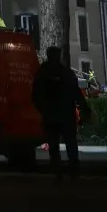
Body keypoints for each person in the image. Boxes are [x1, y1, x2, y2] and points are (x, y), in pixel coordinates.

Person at [32, 46, 88, 178]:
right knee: (69, 144)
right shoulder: (65, 73)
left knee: (55, 145)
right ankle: (73, 169)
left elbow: (35, 96)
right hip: (65, 114)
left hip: (52, 114)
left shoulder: (42, 73)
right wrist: (84, 108)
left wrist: (43, 110)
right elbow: (76, 93)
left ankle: (58, 170)